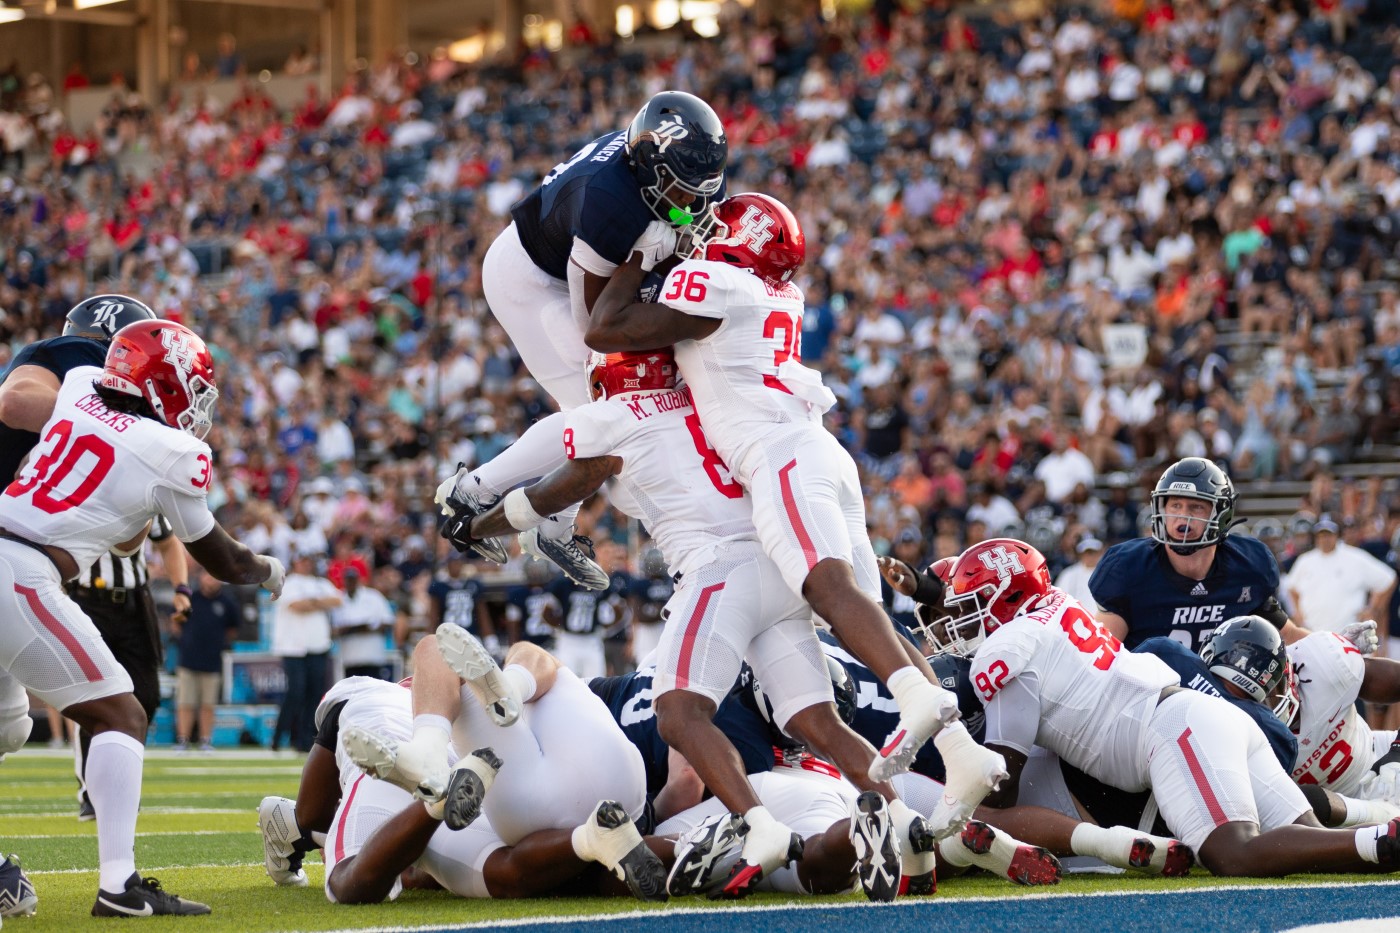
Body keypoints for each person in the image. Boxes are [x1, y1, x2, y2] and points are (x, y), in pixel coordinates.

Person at [440, 348, 934, 899]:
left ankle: (759, 826)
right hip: (777, 559)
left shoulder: (616, 414)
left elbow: (549, 488)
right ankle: (902, 822)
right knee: (818, 721)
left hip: (720, 567)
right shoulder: (703, 405)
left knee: (677, 712)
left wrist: (474, 516)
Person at [584, 191, 1006, 822]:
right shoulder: (773, 290)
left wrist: (643, 255)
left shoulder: (718, 282)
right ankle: (958, 751)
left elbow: (604, 326)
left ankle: (921, 703)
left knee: (828, 589)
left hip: (779, 454)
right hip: (819, 452)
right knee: (862, 622)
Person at [0, 319, 284, 915]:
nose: (198, 405)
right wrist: (267, 569)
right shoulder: (175, 452)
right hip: (19, 570)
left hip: (11, 548)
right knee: (121, 714)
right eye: (195, 389)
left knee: (9, 727)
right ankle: (119, 886)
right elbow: (225, 560)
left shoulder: (78, 383)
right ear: (168, 383)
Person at [948, 537, 1400, 877]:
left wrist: (954, 789)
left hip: (1174, 731)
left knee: (1233, 853)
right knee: (1315, 845)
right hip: (1204, 712)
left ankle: (1383, 839)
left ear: (1004, 599)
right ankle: (1382, 838)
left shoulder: (1007, 651)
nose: (961, 622)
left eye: (969, 606)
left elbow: (1001, 785)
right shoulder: (1057, 612)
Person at [434, 90, 728, 588]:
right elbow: (595, 323)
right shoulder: (609, 201)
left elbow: (692, 225)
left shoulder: (681, 173)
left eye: (701, 190)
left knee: (604, 413)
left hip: (582, 267)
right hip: (531, 279)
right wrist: (643, 262)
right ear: (650, 171)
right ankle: (476, 493)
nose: (693, 204)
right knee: (600, 412)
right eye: (680, 192)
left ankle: (548, 520)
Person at [0, 294, 170, 818]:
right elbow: (15, 403)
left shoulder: (127, 411)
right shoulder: (76, 355)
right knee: (112, 708)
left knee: (10, 723)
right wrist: (108, 426)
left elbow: (128, 543)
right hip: (13, 553)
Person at [1089, 457, 1317, 651]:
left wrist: (1337, 646)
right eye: (1175, 506)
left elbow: (1287, 636)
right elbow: (1099, 655)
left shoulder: (1247, 565)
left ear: (1221, 514)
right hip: (1154, 699)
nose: (1183, 518)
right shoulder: (1130, 567)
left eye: (1196, 507)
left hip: (1225, 700)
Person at [270, 549, 341, 752]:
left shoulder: (320, 583)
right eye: (302, 560)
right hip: (292, 646)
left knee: (314, 694)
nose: (306, 564)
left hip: (318, 645)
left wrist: (312, 603)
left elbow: (337, 600)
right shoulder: (289, 583)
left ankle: (305, 739)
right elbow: (296, 605)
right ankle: (279, 736)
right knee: (296, 691)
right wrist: (319, 603)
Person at [1284, 515, 1396, 637]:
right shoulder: (1305, 560)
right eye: (1321, 535)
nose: (1324, 539)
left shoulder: (1354, 557)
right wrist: (1298, 614)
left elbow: (1388, 579)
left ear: (1337, 535)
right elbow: (1291, 588)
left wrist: (1372, 609)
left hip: (1348, 635)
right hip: (1313, 634)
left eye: (1328, 534)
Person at [173, 570, 241, 752]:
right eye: (207, 576)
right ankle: (183, 740)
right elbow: (176, 622)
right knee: (185, 703)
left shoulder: (227, 602)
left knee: (207, 704)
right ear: (201, 577)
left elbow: (232, 629)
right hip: (188, 659)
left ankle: (205, 740)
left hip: (212, 660)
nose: (211, 580)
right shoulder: (191, 599)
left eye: (214, 576)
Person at [332, 567, 397, 681]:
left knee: (372, 692)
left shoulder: (373, 596)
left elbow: (388, 622)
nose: (351, 583)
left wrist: (367, 629)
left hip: (372, 656)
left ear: (358, 580)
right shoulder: (339, 599)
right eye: (348, 579)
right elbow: (335, 630)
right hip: (350, 658)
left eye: (353, 579)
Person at [1054, 536, 1103, 609]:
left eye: (1093, 553)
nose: (1090, 556)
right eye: (1087, 553)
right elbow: (1059, 599)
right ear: (1081, 555)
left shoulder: (1107, 573)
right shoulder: (1069, 574)